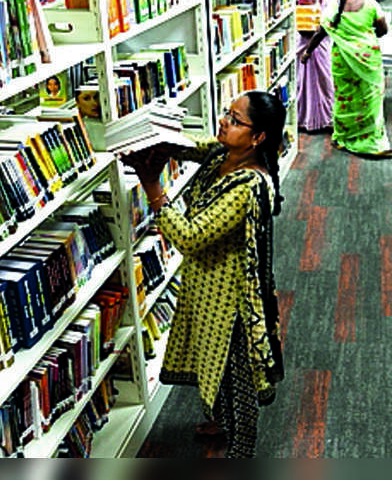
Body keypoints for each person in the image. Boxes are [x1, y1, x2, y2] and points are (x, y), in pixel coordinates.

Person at [120, 91, 286, 458]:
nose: (224, 121)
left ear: (258, 138)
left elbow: (190, 237)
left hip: (233, 302)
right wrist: (151, 137)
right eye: (227, 112)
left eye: (235, 119)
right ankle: (221, 421)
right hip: (207, 287)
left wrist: (153, 188)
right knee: (215, 367)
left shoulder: (248, 185)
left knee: (237, 377)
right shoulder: (225, 155)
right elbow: (194, 146)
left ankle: (241, 449)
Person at [300, 0, 392, 158]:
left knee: (344, 99)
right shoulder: (371, 4)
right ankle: (371, 143)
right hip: (367, 61)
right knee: (370, 99)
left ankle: (341, 137)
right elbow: (383, 29)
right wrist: (364, 37)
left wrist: (308, 52)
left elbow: (321, 32)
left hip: (341, 61)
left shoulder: (335, 7)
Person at [295, 0, 335, 132]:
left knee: (323, 82)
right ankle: (303, 119)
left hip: (320, 44)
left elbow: (328, 22)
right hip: (301, 41)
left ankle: (325, 119)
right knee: (301, 82)